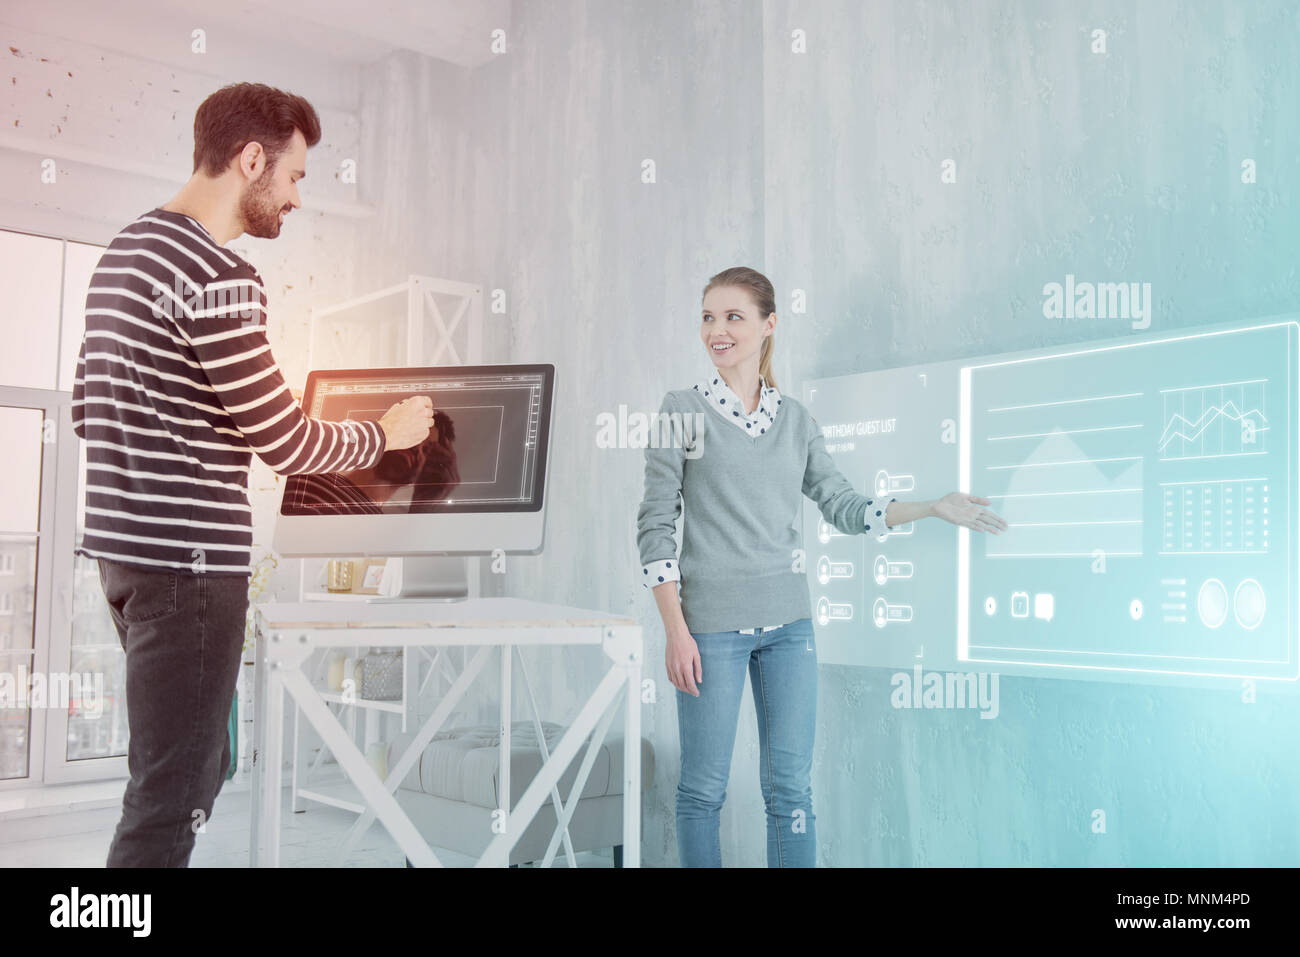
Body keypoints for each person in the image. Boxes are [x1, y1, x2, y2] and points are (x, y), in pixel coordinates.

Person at [69, 82, 434, 867]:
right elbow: (286, 441)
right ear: (250, 159)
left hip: (124, 561)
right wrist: (386, 433)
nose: (297, 199)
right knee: (170, 800)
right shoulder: (218, 274)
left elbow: (84, 410)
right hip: (189, 573)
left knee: (196, 768)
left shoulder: (123, 254)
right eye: (296, 178)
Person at [635, 266, 1008, 867]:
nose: (717, 330)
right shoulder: (681, 411)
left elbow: (845, 506)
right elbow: (655, 527)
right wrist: (675, 630)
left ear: (768, 325)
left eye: (733, 316)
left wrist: (932, 507)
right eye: (708, 317)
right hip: (709, 630)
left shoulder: (797, 420)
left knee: (791, 792)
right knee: (703, 791)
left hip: (789, 629)